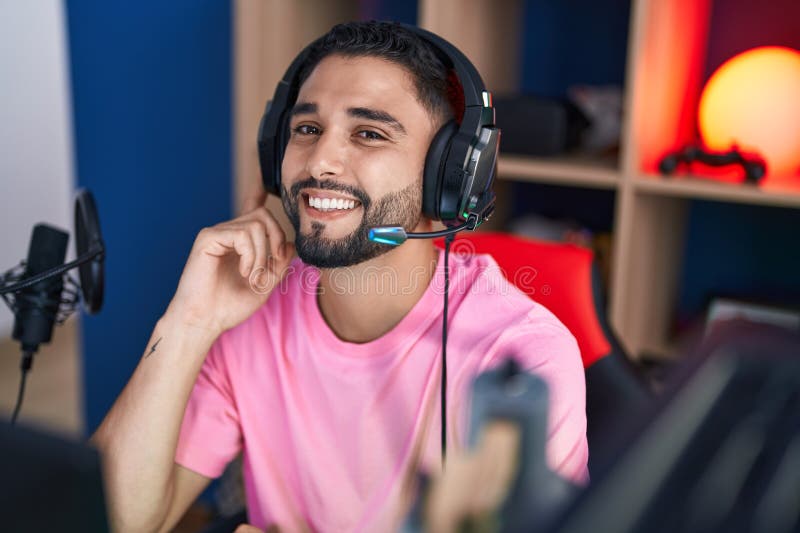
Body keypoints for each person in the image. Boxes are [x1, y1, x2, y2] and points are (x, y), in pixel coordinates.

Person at [92, 21, 588, 532]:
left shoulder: (521, 361)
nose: (320, 161)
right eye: (306, 129)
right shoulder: (247, 306)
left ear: (451, 176)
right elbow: (112, 522)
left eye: (369, 134)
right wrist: (189, 324)